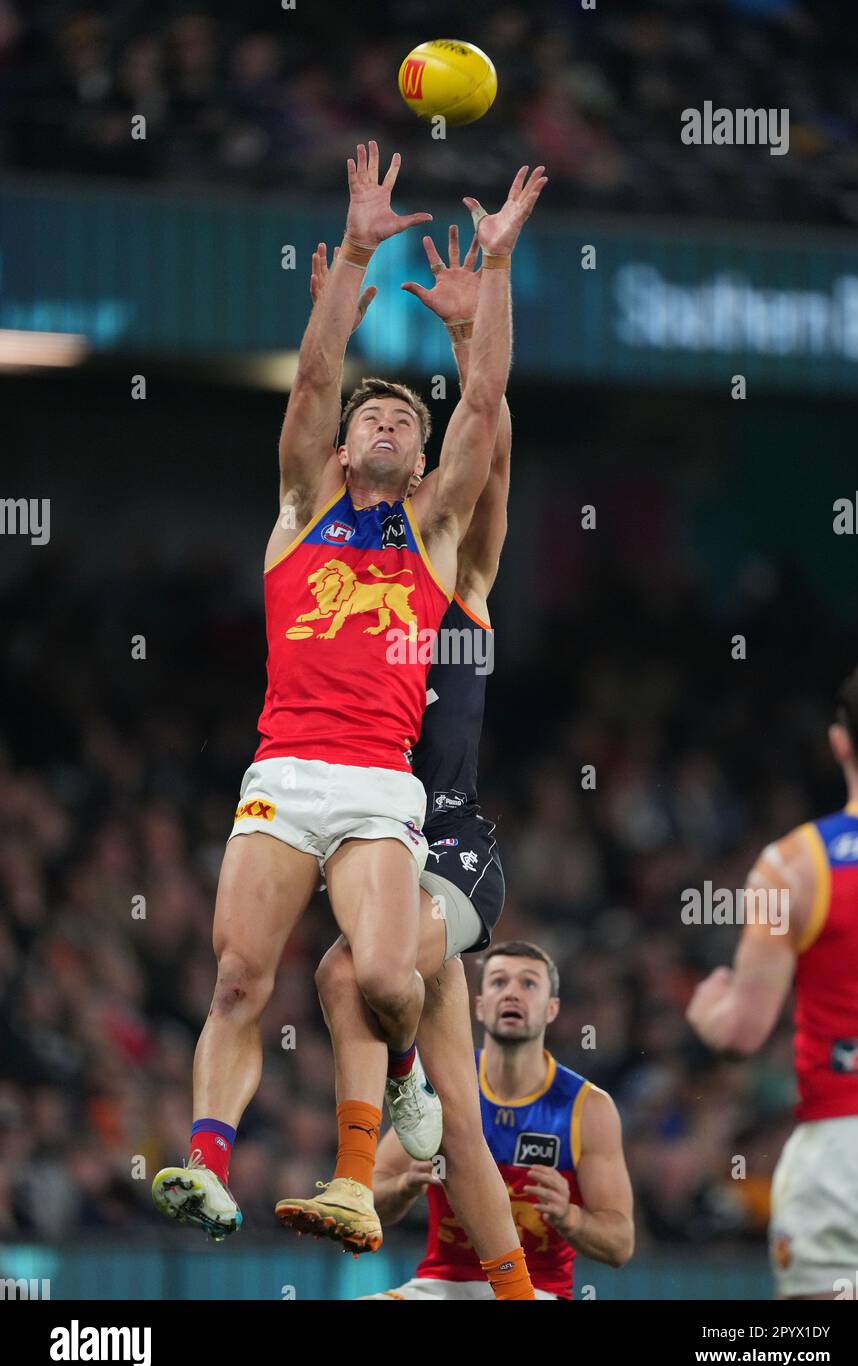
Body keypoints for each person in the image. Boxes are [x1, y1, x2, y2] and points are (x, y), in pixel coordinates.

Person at [151, 141, 546, 1265]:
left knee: (376, 976)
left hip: (380, 784)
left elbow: (483, 405)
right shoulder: (296, 513)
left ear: (423, 465)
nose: (385, 421)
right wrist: (355, 253)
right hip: (281, 774)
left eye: (402, 422)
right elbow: (316, 376)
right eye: (369, 418)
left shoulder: (430, 539)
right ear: (336, 450)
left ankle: (409, 1078)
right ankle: (208, 1166)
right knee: (237, 975)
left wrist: (497, 278)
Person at [306, 224, 532, 1297]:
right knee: (457, 1125)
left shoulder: (458, 570)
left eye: (422, 433)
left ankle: (355, 1171)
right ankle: (518, 1292)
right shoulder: (336, 569)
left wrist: (481, 305)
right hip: (372, 837)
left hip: (451, 849)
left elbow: (490, 424)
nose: (412, 444)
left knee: (355, 972)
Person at [687, 655, 858, 1300]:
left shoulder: (789, 866)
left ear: (840, 741)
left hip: (844, 1150)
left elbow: (743, 1032)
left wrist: (706, 1007)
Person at [360, 942, 635, 1300]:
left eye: (529, 984)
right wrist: (403, 1188)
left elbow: (621, 1244)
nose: (512, 994)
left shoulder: (589, 1108)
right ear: (478, 1005)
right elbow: (368, 1198)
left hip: (539, 1291)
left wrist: (570, 1217)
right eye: (499, 982)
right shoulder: (444, 1084)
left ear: (552, 1009)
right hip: (441, 1287)